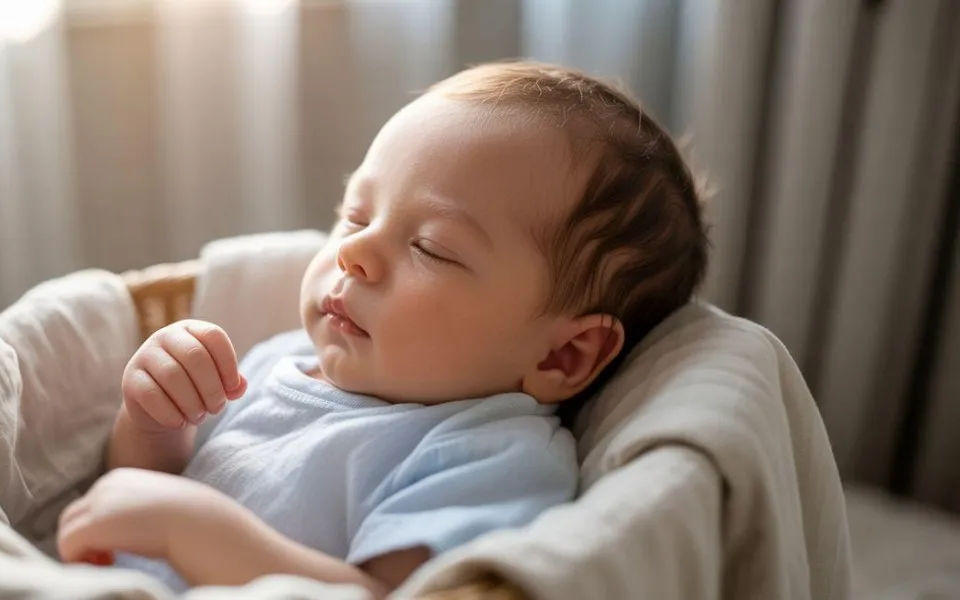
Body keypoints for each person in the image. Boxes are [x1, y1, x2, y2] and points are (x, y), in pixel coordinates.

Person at [56, 61, 710, 599]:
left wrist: (193, 534)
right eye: (355, 213)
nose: (353, 252)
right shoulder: (282, 357)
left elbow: (390, 595)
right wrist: (154, 423)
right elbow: (136, 492)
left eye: (430, 247)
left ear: (565, 355)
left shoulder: (483, 455)